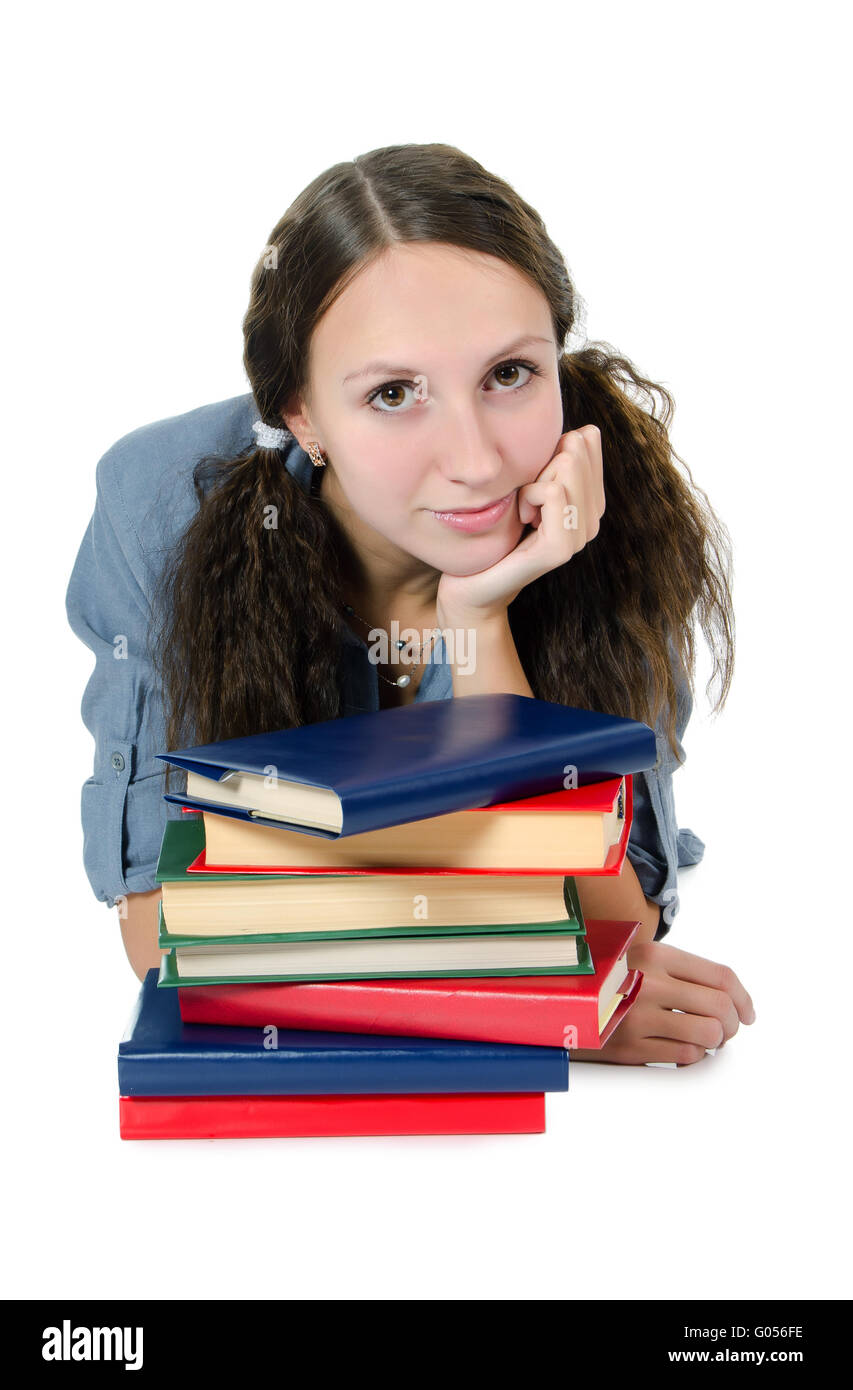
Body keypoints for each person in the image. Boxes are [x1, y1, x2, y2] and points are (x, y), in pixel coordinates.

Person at [65, 141, 754, 1065]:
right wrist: (532, 1002)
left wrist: (480, 621)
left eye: (510, 374)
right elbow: (173, 938)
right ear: (301, 414)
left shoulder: (593, 494)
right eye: (394, 393)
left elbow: (611, 920)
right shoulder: (159, 499)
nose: (475, 460)